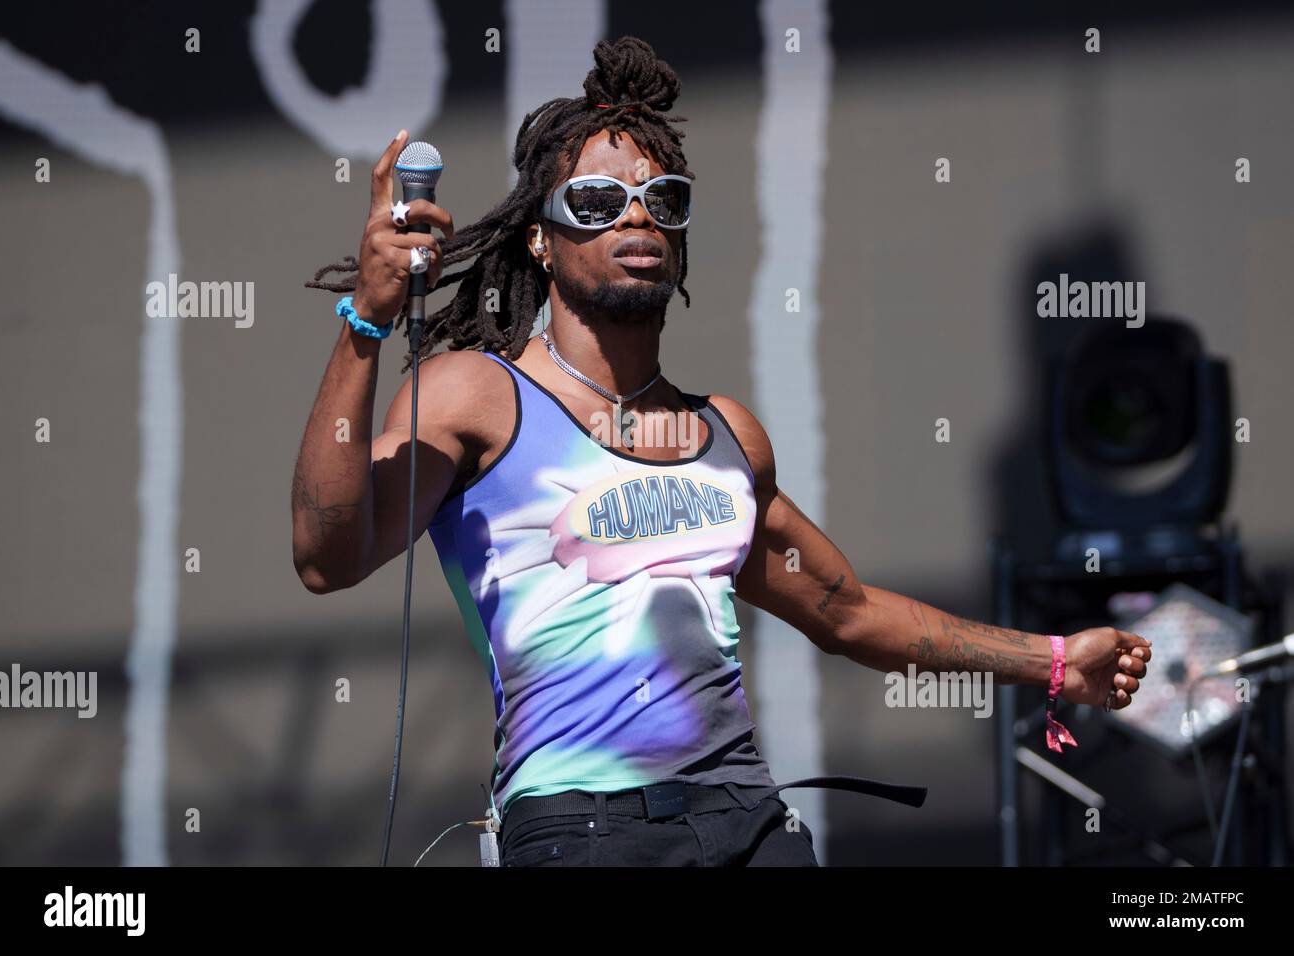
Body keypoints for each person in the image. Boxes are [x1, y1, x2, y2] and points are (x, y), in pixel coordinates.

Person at [291, 36, 1151, 866]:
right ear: (540, 240)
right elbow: (326, 556)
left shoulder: (727, 436)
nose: (635, 213)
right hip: (580, 830)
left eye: (662, 199)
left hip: (747, 822)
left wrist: (1052, 660)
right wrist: (366, 323)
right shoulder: (477, 395)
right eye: (596, 200)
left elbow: (847, 611)